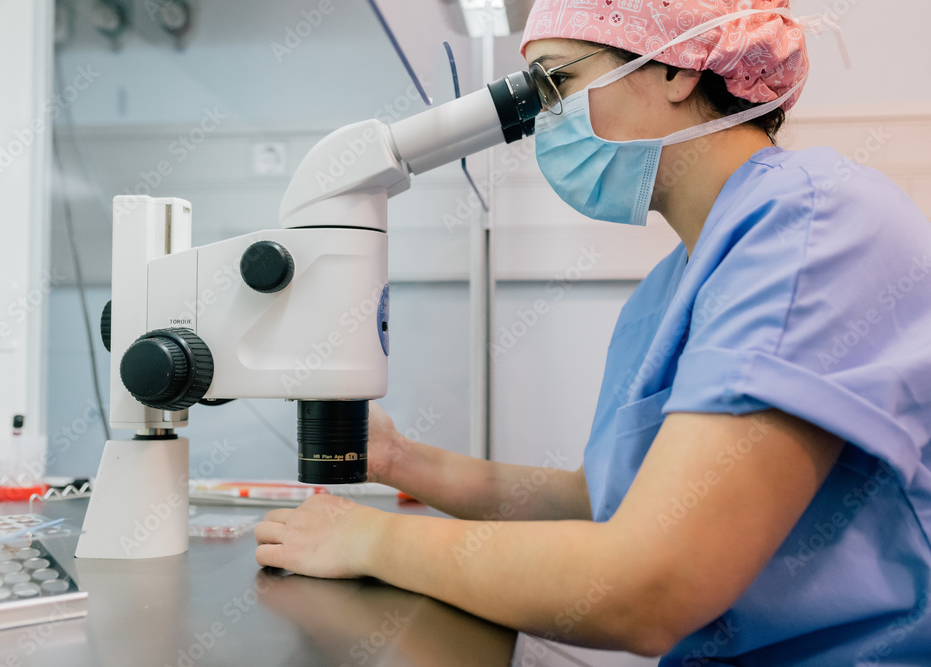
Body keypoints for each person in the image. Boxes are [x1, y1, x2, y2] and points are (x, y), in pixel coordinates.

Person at [255, 1, 931, 663]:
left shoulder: (816, 228)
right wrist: (401, 459)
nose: (544, 123)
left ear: (679, 68)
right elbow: (595, 501)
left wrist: (369, 541)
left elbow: (652, 584)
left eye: (555, 84)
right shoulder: (670, 287)